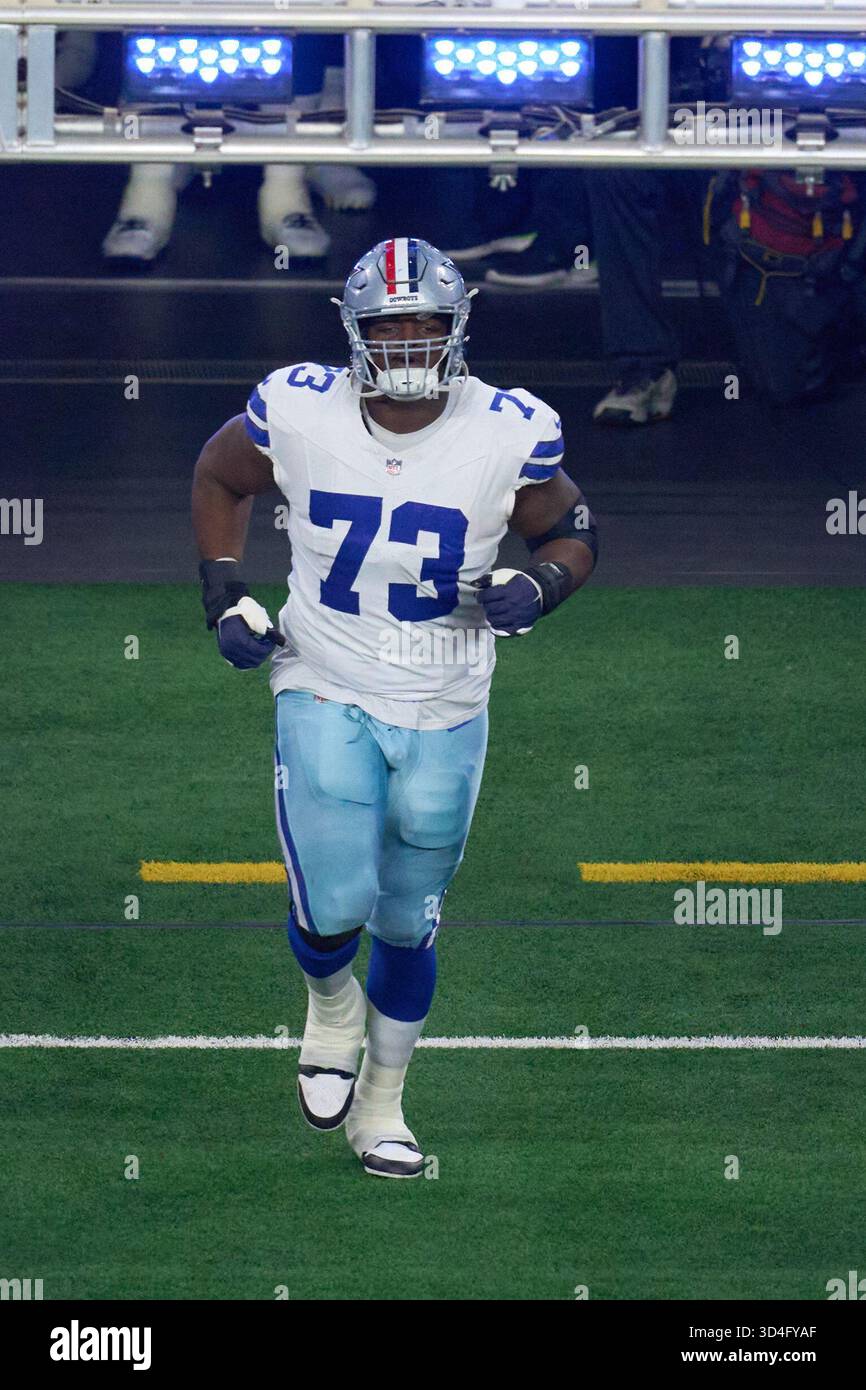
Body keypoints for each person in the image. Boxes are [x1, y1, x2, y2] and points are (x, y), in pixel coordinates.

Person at [191, 238, 598, 1177]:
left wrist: (543, 586)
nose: (409, 342)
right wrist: (223, 595)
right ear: (354, 333)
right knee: (336, 898)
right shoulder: (298, 408)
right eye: (389, 326)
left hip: (448, 698)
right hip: (325, 676)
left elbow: (572, 527)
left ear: (457, 330)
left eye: (425, 323)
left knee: (409, 917)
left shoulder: (507, 428)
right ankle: (330, 1008)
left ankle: (384, 1104)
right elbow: (219, 475)